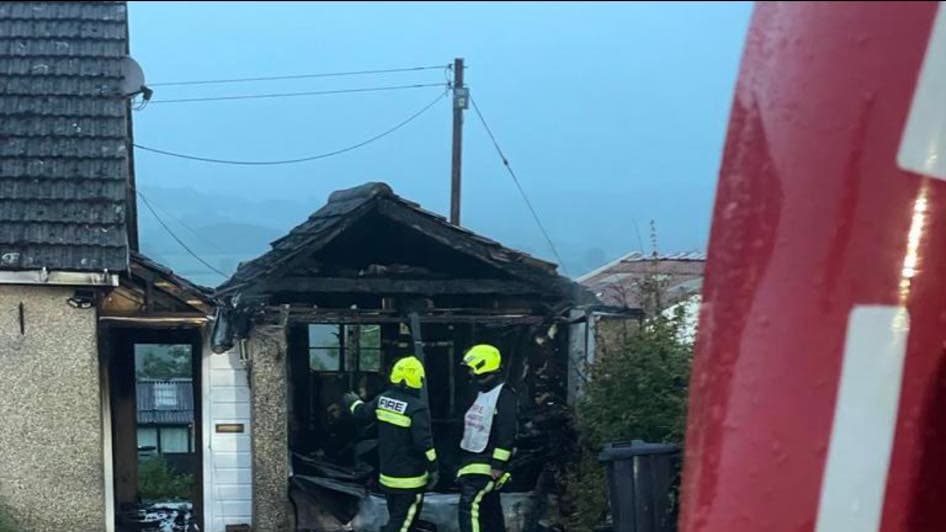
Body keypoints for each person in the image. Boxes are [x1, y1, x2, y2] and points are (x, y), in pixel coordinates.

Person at [344, 356, 439, 532]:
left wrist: (353, 401)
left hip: (388, 479)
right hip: (410, 482)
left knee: (397, 520)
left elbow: (361, 413)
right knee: (402, 525)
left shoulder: (383, 400)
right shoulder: (417, 408)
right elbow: (424, 444)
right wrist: (433, 469)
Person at [457, 344, 518, 532]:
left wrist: (498, 464)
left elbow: (507, 431)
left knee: (469, 508)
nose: (468, 372)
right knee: (489, 511)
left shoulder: (504, 395)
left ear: (481, 366)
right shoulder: (481, 393)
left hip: (487, 464)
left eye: (471, 368)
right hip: (474, 459)